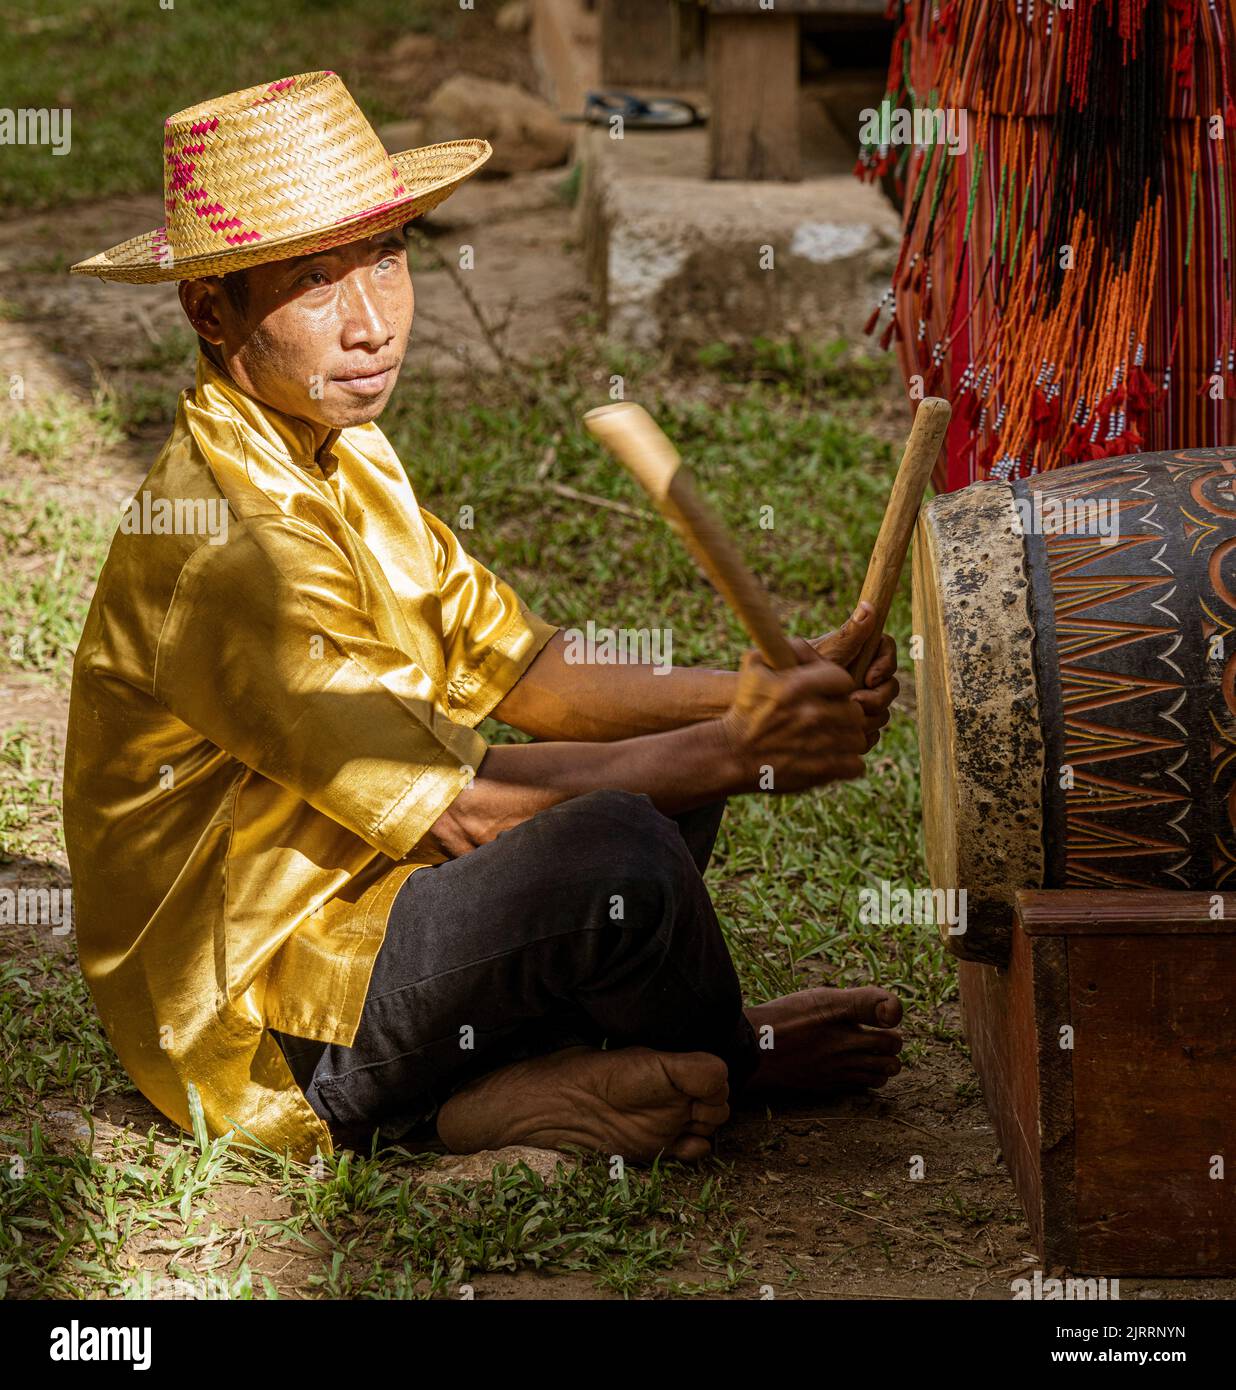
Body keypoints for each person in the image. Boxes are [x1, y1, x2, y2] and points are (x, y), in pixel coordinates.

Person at [64, 71, 903, 1166]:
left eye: (387, 256)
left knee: (648, 783)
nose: (370, 321)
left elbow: (528, 667)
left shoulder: (340, 445)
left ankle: (512, 1083)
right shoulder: (230, 549)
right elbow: (460, 818)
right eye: (314, 281)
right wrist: (738, 750)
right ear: (208, 308)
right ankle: (596, 1082)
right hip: (272, 1012)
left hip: (382, 902)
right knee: (628, 839)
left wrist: (758, 690)